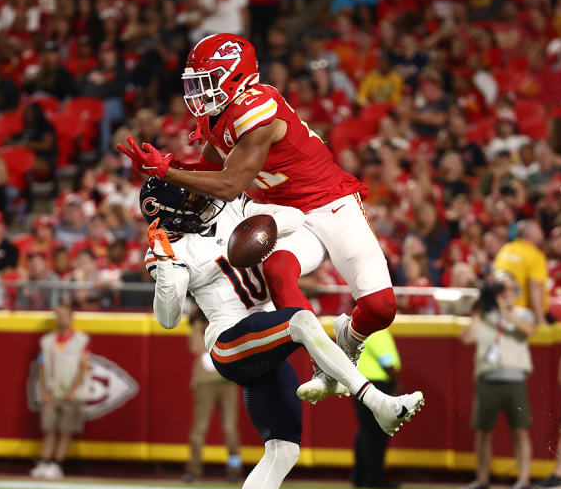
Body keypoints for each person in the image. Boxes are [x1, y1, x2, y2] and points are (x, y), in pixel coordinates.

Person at [141, 178, 423, 489]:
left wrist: (265, 220)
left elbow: (292, 218)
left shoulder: (232, 210)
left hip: (264, 340)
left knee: (284, 450)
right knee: (301, 321)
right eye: (192, 199)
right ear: (171, 215)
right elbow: (168, 319)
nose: (203, 200)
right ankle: (374, 399)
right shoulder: (176, 250)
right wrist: (166, 268)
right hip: (230, 343)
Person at [118, 33, 396, 402]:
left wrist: (167, 173)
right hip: (288, 214)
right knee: (278, 271)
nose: (198, 93)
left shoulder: (257, 108)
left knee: (380, 309)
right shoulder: (218, 118)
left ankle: (350, 340)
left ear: (235, 76)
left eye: (206, 81)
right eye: (194, 83)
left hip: (332, 203)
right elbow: (207, 172)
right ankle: (325, 364)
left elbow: (231, 184)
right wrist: (164, 171)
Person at [462, 274, 536, 489]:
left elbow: (529, 330)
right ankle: (482, 479)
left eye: (509, 290)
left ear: (516, 291)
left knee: (520, 430)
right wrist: (478, 310)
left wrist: (505, 311)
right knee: (483, 432)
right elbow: (467, 338)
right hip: (488, 378)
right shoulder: (485, 315)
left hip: (515, 378)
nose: (505, 294)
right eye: (500, 291)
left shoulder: (523, 313)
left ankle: (524, 480)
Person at [31, 300, 91, 480]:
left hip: (72, 391)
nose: (60, 319)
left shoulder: (81, 340)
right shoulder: (46, 340)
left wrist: (73, 390)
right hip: (52, 389)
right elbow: (41, 366)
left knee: (66, 429)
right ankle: (45, 460)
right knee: (48, 427)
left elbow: (83, 367)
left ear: (71, 317)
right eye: (58, 315)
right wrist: (43, 389)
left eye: (63, 315)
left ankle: (57, 463)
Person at [185, 309, 243, 484]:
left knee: (230, 429)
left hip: (227, 382)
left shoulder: (228, 322)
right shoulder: (198, 324)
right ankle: (194, 470)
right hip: (205, 382)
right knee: (199, 429)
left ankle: (235, 468)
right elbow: (195, 347)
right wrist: (199, 322)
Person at [351, 328, 402, 489]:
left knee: (365, 430)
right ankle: (374, 478)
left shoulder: (356, 330)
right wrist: (396, 381)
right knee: (377, 432)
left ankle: (360, 476)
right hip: (376, 384)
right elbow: (385, 360)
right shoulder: (376, 330)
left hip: (359, 382)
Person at [493, 220, 548, 323]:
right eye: (539, 230)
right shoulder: (535, 255)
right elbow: (535, 288)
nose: (542, 233)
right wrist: (540, 319)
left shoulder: (505, 249)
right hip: (523, 315)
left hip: (500, 310)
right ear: (530, 233)